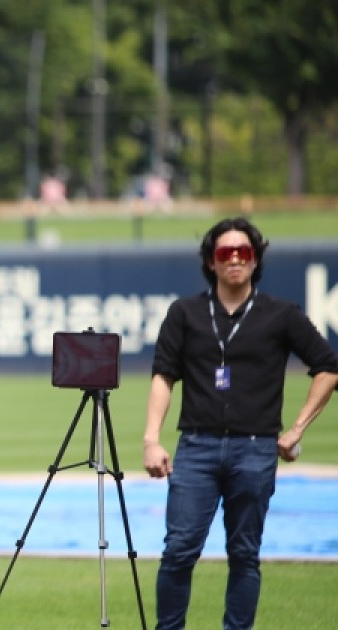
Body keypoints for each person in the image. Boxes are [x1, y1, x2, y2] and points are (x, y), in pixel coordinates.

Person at [142, 217, 338, 630]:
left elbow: (328, 367)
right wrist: (151, 439)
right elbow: (164, 375)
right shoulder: (185, 313)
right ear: (210, 262)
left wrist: (297, 428)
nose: (234, 259)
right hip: (196, 447)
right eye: (224, 252)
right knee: (178, 550)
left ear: (255, 260)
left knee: (245, 554)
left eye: (243, 252)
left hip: (255, 449)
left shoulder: (281, 315)